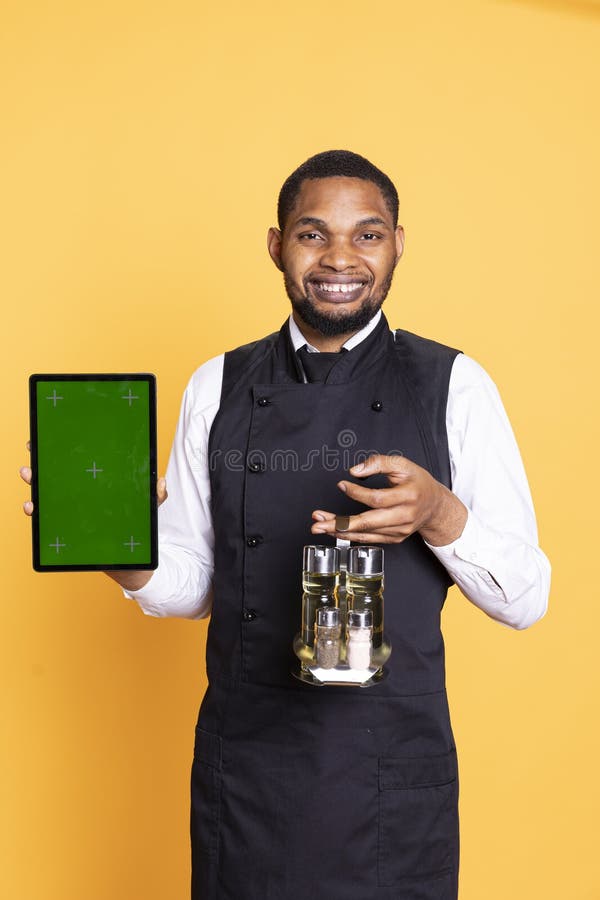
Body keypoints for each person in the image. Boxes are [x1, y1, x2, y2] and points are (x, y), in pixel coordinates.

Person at [22, 150, 550, 899]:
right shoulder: (220, 384)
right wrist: (111, 543)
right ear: (276, 245)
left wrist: (439, 512)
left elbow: (528, 599)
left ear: (399, 243)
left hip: (388, 782)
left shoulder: (454, 385)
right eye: (312, 234)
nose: (340, 258)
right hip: (249, 780)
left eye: (367, 236)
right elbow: (191, 586)